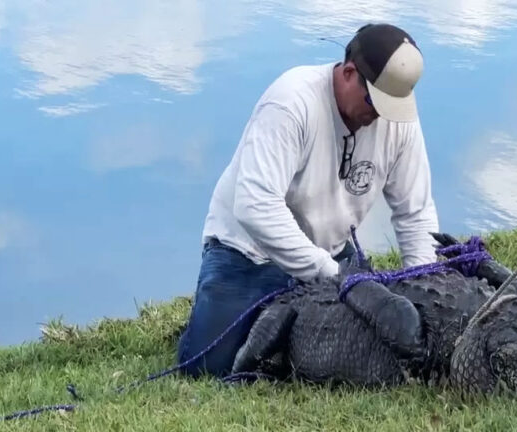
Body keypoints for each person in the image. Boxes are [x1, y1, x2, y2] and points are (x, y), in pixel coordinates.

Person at [177, 23, 440, 378]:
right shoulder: (291, 102)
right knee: (209, 369)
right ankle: (219, 314)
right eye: (374, 103)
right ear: (349, 73)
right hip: (249, 254)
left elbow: (415, 213)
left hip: (332, 255)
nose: (380, 115)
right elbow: (255, 205)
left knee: (379, 353)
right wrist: (329, 274)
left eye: (390, 107)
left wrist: (421, 284)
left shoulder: (397, 118)